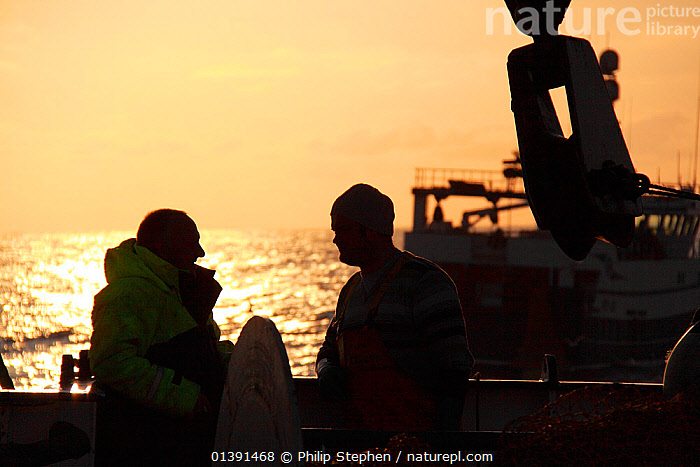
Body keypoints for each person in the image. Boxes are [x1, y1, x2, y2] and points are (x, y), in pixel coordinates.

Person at [316, 184, 474, 431]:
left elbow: (454, 368)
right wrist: (326, 369)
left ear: (371, 231)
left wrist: (443, 444)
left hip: (418, 445)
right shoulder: (350, 292)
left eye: (344, 230)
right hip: (362, 447)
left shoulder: (427, 282)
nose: (336, 239)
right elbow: (329, 349)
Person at [89, 209, 233, 465]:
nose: (201, 253)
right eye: (192, 242)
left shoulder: (185, 290)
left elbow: (209, 346)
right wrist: (186, 397)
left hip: (191, 438)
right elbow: (112, 364)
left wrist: (240, 362)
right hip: (150, 444)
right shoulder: (126, 295)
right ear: (164, 246)